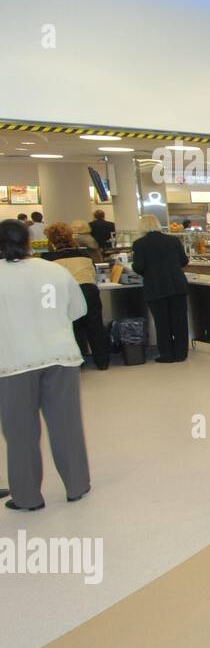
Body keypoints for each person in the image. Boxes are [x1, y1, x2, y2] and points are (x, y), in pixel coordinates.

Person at [0, 219, 91, 511]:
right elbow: (78, 310)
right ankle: (77, 485)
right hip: (60, 357)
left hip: (12, 363)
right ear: (29, 241)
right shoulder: (54, 270)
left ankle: (27, 497)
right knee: (67, 424)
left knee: (20, 432)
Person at [43, 223, 110, 370]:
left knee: (73, 328)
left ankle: (78, 363)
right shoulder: (84, 254)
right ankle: (102, 362)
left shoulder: (49, 258)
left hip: (66, 293)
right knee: (95, 327)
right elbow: (93, 274)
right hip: (88, 290)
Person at [131, 213, 191, 363]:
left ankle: (167, 353)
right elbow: (183, 261)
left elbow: (139, 267)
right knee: (180, 320)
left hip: (156, 287)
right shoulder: (173, 240)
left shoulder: (139, 244)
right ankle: (181, 353)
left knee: (162, 321)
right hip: (177, 285)